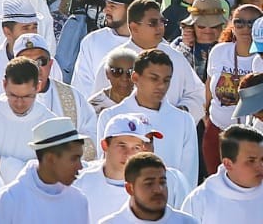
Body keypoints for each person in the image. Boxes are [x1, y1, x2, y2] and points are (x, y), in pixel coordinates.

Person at [97, 48, 199, 191]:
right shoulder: (109, 116)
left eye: (166, 80)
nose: (161, 85)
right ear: (135, 78)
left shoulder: (184, 120)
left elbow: (188, 178)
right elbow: (104, 168)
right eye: (154, 78)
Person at [0, 116, 90, 224]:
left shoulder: (79, 201)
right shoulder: (9, 199)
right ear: (50, 159)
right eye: (74, 159)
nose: (80, 166)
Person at [179, 124, 263, 219]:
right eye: (251, 161)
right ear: (228, 164)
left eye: (262, 159)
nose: (260, 166)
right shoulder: (199, 200)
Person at [98, 152, 197, 224]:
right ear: (129, 188)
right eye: (149, 183)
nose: (159, 189)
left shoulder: (187, 222)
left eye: (162, 182)